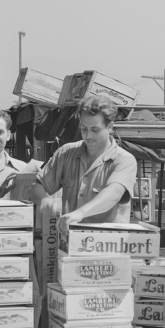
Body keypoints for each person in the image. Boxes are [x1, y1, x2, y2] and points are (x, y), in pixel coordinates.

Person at [29, 94, 136, 234]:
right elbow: (36, 187)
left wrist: (80, 213)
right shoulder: (66, 153)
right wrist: (44, 200)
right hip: (71, 244)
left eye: (95, 130)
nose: (88, 135)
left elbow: (113, 194)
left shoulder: (124, 160)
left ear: (110, 127)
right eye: (84, 128)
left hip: (109, 245)